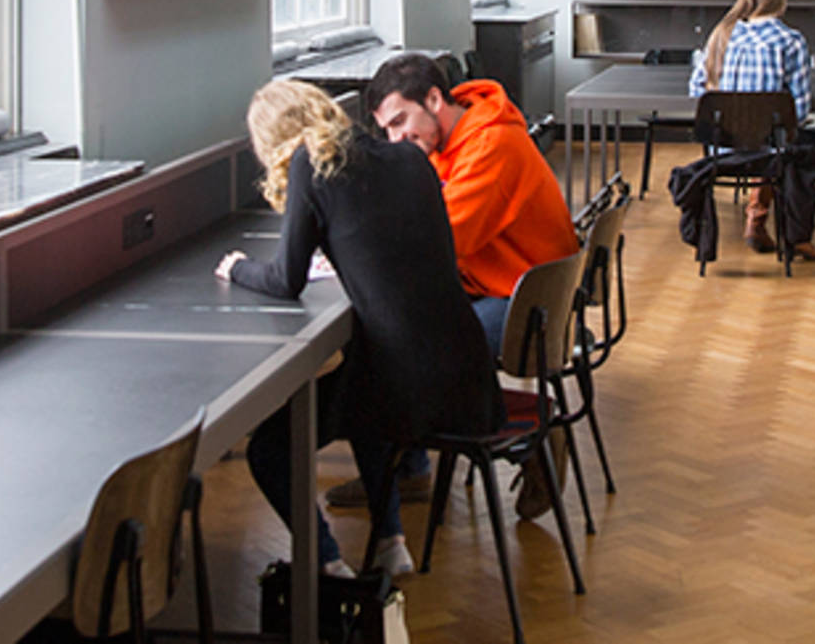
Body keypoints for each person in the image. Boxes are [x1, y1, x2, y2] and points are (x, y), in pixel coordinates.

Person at [216, 80, 504, 578]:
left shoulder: (311, 164)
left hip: (407, 393)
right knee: (366, 373)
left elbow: (286, 280)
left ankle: (327, 563)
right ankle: (391, 541)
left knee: (268, 447)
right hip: (470, 380)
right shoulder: (411, 158)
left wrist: (237, 267)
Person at [359, 53, 580, 519]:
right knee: (393, 335)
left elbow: (442, 237)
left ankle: (537, 434)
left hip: (527, 307)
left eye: (401, 121)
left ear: (435, 99)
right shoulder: (453, 141)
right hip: (501, 286)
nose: (397, 138)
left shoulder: (489, 146)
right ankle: (408, 466)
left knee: (408, 348)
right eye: (387, 130)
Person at [688, 0, 815, 259]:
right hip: (769, 150)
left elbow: (697, 92)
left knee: (771, 142)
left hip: (723, 149)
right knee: (813, 146)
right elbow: (799, 112)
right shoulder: (790, 41)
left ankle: (758, 218)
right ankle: (796, 237)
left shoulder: (722, 36)